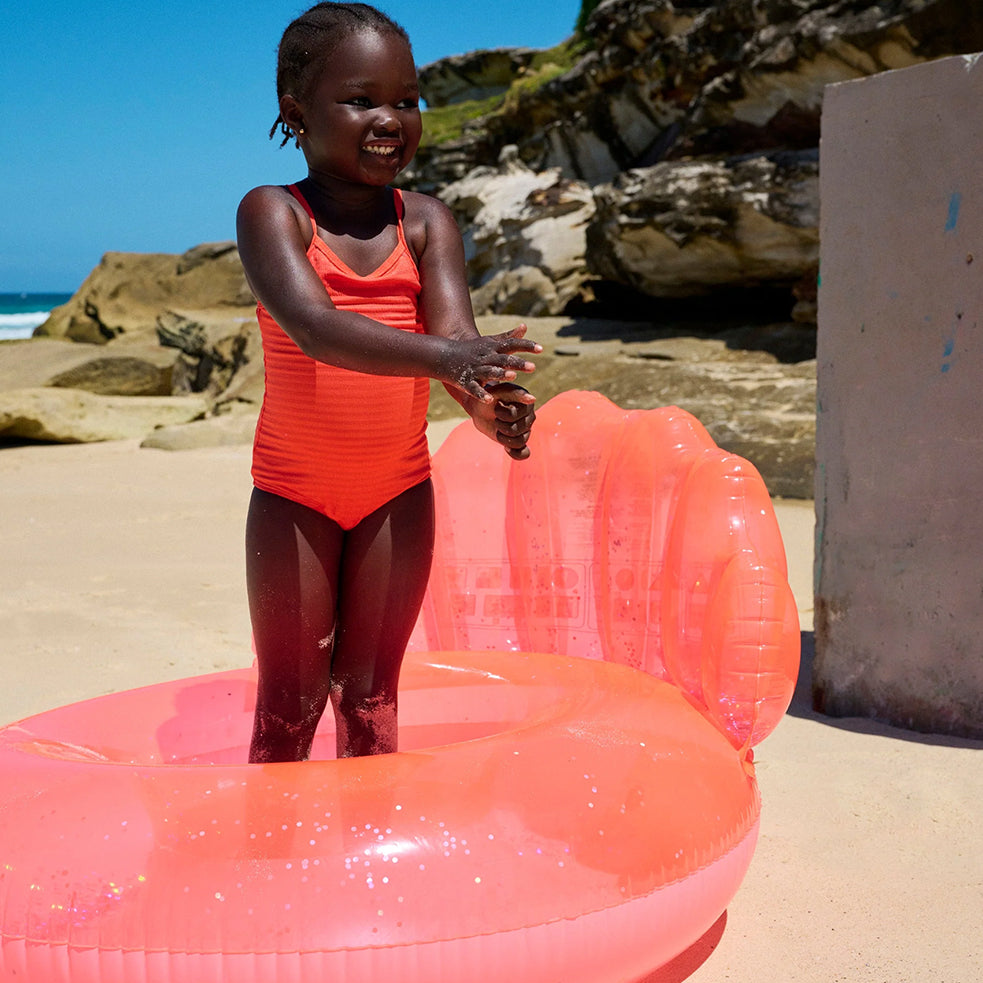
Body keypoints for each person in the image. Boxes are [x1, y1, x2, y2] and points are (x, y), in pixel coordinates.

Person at [237, 2, 540, 763]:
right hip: (293, 496)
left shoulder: (426, 222)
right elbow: (316, 327)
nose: (390, 119)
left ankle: (360, 862)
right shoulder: (274, 214)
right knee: (289, 701)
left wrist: (489, 408)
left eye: (407, 101)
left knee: (371, 695)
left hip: (397, 493)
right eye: (362, 99)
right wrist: (446, 358)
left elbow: (459, 346)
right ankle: (271, 869)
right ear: (296, 112)